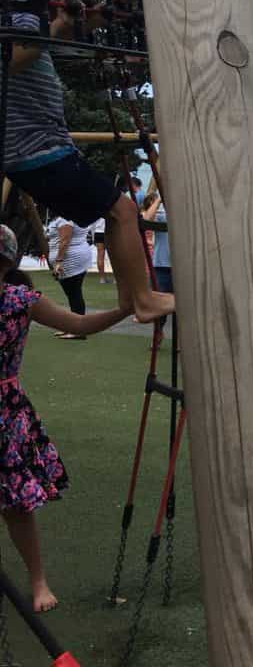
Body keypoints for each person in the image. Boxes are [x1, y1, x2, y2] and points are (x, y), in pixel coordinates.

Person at [3, 0, 172, 322]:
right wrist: (56, 24)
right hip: (38, 152)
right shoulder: (18, 21)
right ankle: (143, 299)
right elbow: (12, 58)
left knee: (116, 213)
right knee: (123, 211)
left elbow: (78, 25)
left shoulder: (30, 20)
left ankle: (132, 298)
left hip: (42, 152)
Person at [0, 223, 130, 610]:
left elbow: (78, 323)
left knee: (16, 504)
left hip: (5, 414)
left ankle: (38, 580)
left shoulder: (21, 300)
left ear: (5, 264)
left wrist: (125, 309)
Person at [45, 213, 93, 338]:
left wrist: (58, 261)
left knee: (74, 294)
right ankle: (73, 327)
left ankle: (78, 330)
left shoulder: (66, 218)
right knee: (73, 294)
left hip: (71, 260)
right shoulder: (71, 216)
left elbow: (65, 240)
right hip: (76, 258)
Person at [142, 188, 172, 295]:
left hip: (182, 265)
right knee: (159, 299)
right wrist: (159, 200)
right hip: (161, 265)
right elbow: (146, 219)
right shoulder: (160, 213)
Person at [92, 215, 109, 284]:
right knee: (114, 256)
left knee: (100, 255)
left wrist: (93, 237)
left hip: (98, 232)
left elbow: (93, 225)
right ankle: (116, 279)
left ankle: (102, 279)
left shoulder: (97, 211)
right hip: (109, 232)